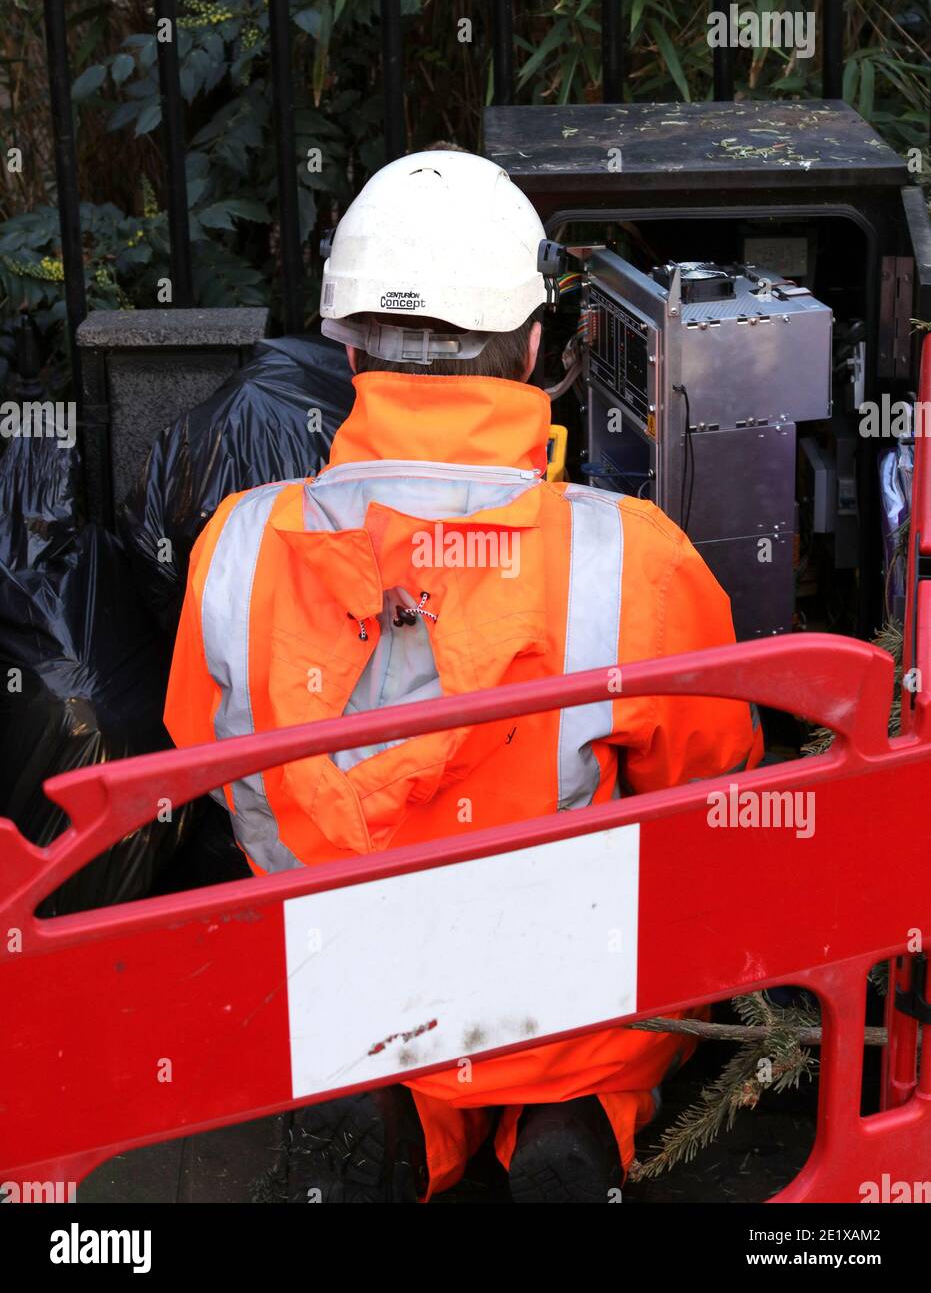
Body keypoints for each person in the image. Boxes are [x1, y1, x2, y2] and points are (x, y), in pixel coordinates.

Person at [165, 149, 762, 1203]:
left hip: (333, 988)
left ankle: (391, 1109)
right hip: (555, 1006)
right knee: (607, 1008)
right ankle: (570, 1117)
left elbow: (203, 757)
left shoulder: (240, 542)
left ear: (346, 350)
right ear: (533, 346)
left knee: (350, 1012)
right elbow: (714, 790)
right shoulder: (631, 554)